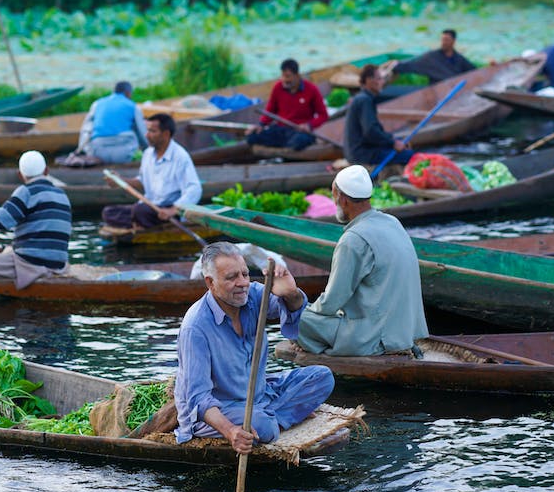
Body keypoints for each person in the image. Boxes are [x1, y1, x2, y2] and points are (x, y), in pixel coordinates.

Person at [174, 241, 335, 453]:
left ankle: (276, 414)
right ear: (210, 283)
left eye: (245, 274)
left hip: (260, 394)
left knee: (322, 377)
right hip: (221, 407)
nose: (242, 283)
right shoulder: (195, 328)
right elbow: (198, 399)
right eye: (232, 278)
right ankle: (281, 415)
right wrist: (231, 431)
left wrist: (290, 292)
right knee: (262, 425)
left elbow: (290, 310)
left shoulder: (252, 295)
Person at [297, 165, 428, 357]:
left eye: (334, 196)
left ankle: (318, 345)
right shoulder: (393, 222)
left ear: (342, 198)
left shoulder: (353, 239)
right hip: (406, 332)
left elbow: (331, 302)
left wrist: (306, 310)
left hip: (376, 338)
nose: (335, 202)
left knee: (296, 319)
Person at [0, 150, 72, 290]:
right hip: (58, 265)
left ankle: (18, 275)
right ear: (46, 171)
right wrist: (3, 252)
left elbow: (1, 221)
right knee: (6, 251)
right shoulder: (62, 195)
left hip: (31, 265)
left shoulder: (26, 191)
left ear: (20, 175)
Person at [102, 112, 202, 229]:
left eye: (152, 131)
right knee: (108, 212)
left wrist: (172, 210)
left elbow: (194, 189)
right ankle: (140, 222)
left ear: (166, 134)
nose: (146, 135)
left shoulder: (180, 156)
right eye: (147, 130)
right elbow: (142, 181)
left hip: (167, 210)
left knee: (140, 211)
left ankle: (140, 222)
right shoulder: (148, 153)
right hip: (150, 208)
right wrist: (120, 181)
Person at [245, 58, 329, 150]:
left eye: (288, 76)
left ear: (297, 75)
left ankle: (287, 150)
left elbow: (323, 115)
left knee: (299, 141)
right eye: (283, 76)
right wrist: (261, 125)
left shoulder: (311, 89)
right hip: (281, 130)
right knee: (252, 137)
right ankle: (284, 149)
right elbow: (270, 112)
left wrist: (309, 125)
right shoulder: (278, 88)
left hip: (299, 131)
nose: (284, 79)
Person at [343, 64, 413, 166]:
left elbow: (373, 132)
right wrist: (393, 143)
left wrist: (392, 140)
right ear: (369, 80)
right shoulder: (364, 100)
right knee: (409, 155)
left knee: (400, 148)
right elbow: (371, 132)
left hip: (362, 151)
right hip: (362, 155)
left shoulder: (363, 98)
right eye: (379, 79)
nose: (382, 82)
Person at [75, 81, 148, 164]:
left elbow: (86, 130)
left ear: (113, 92)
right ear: (128, 93)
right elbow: (142, 132)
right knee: (134, 133)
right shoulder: (133, 106)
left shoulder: (96, 104)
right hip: (124, 154)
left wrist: (84, 150)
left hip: (99, 153)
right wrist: (149, 150)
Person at [386, 29, 477, 84]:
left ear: (453, 41)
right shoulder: (431, 57)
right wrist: (395, 64)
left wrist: (490, 67)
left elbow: (474, 71)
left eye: (446, 40)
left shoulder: (459, 58)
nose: (443, 43)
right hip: (436, 92)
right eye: (442, 40)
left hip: (455, 92)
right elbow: (411, 64)